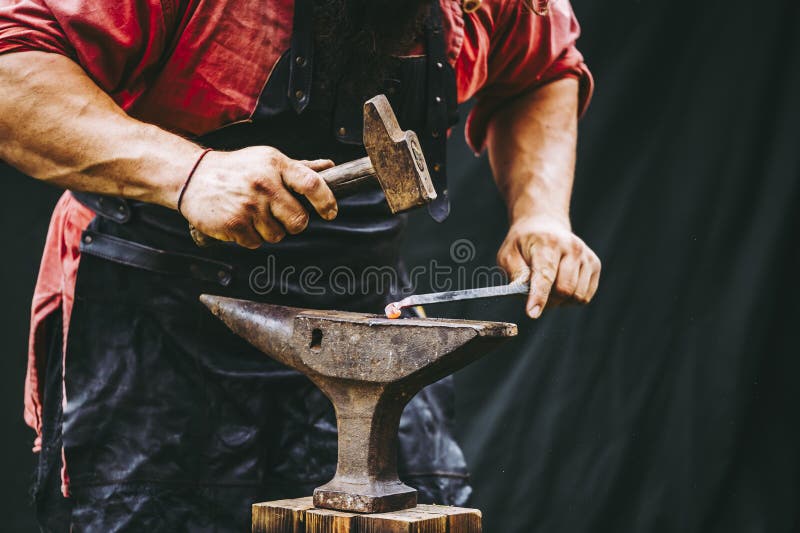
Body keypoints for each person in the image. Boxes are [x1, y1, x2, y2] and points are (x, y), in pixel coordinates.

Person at [0, 0, 601, 530]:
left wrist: (540, 211)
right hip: (158, 322)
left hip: (364, 314)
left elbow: (540, 71)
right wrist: (186, 173)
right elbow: (12, 70)